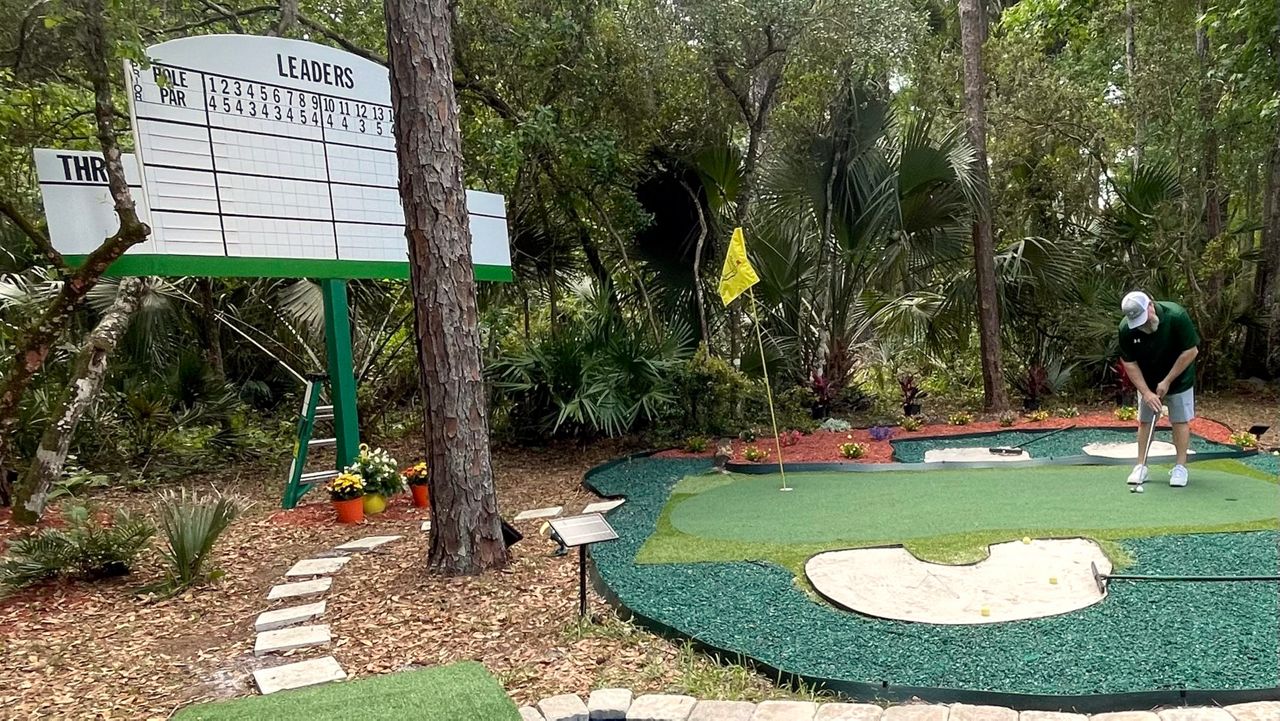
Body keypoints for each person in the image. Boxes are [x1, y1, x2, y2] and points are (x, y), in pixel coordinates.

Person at [1117, 291, 1200, 487]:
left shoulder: (1176, 316)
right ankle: (1141, 466)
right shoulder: (1126, 329)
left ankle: (1180, 467)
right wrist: (1146, 392)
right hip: (1147, 380)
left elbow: (1191, 351)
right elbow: (1129, 362)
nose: (1142, 326)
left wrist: (1168, 381)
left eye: (1144, 320)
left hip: (1179, 378)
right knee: (1145, 421)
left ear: (1150, 307)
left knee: (1179, 420)